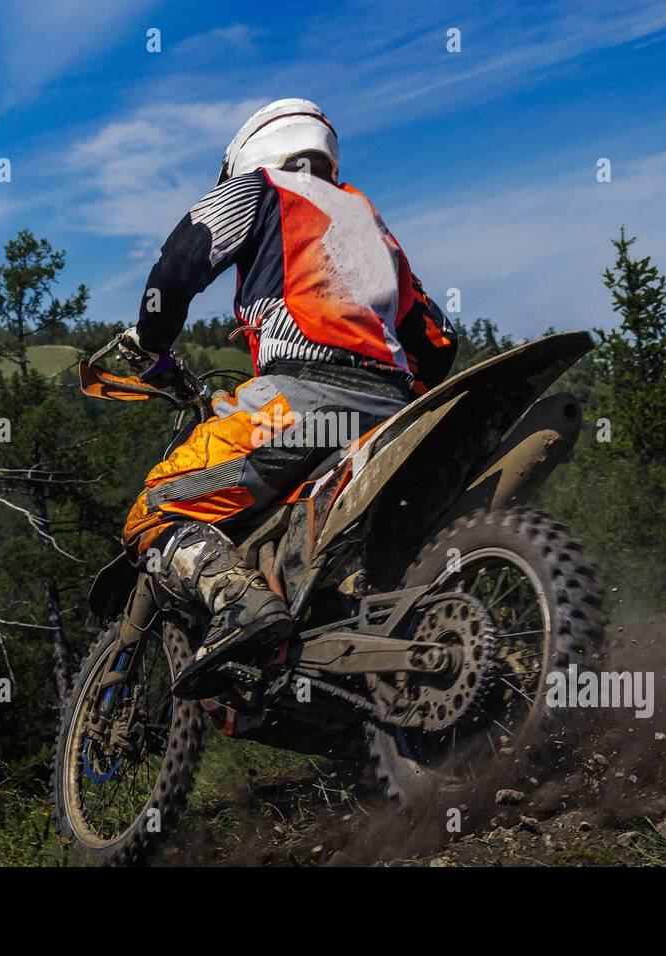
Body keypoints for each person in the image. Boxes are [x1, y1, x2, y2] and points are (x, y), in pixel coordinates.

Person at [118, 98, 457, 698]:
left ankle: (242, 603)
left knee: (157, 507)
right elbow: (433, 339)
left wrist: (150, 343)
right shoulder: (369, 220)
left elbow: (179, 265)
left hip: (302, 400)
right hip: (394, 408)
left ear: (250, 152)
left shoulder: (259, 188)